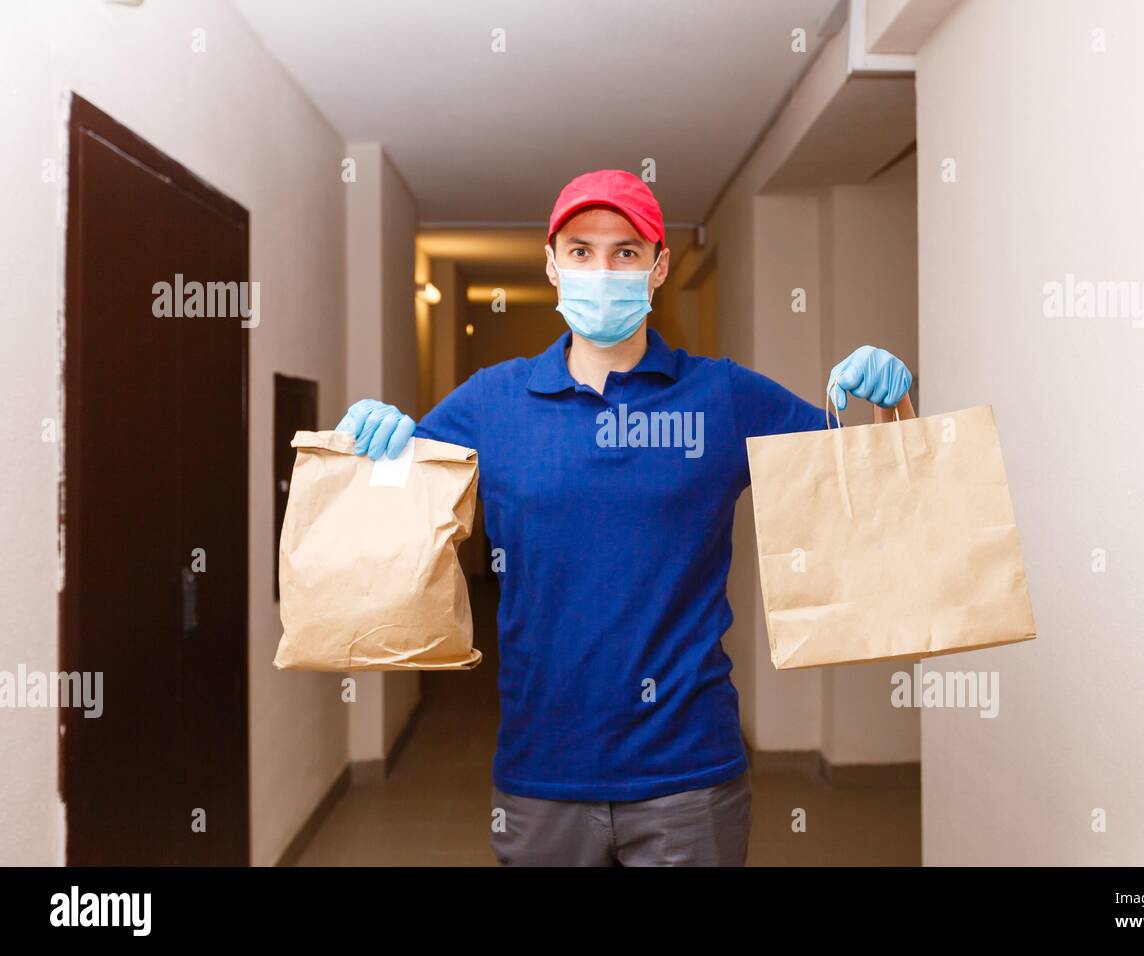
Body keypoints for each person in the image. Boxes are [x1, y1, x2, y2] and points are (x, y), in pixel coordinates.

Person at [337, 169, 912, 866]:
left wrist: (887, 404)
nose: (601, 270)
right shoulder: (492, 401)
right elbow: (383, 530)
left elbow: (869, 485)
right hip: (542, 773)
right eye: (580, 252)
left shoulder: (722, 396)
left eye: (626, 252)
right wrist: (373, 447)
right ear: (550, 265)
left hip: (689, 777)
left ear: (659, 267)